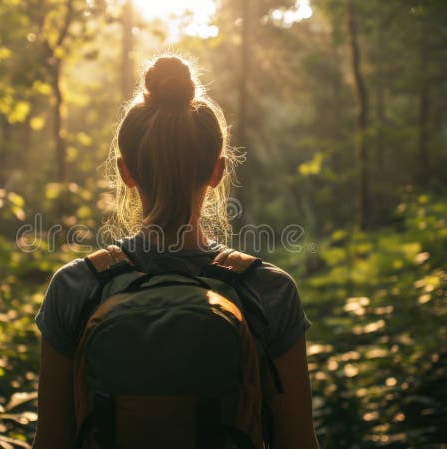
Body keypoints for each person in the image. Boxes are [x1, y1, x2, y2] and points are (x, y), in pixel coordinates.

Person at [33, 55, 319, 449]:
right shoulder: (267, 291)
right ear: (218, 171)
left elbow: (51, 443)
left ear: (124, 172)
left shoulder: (77, 287)